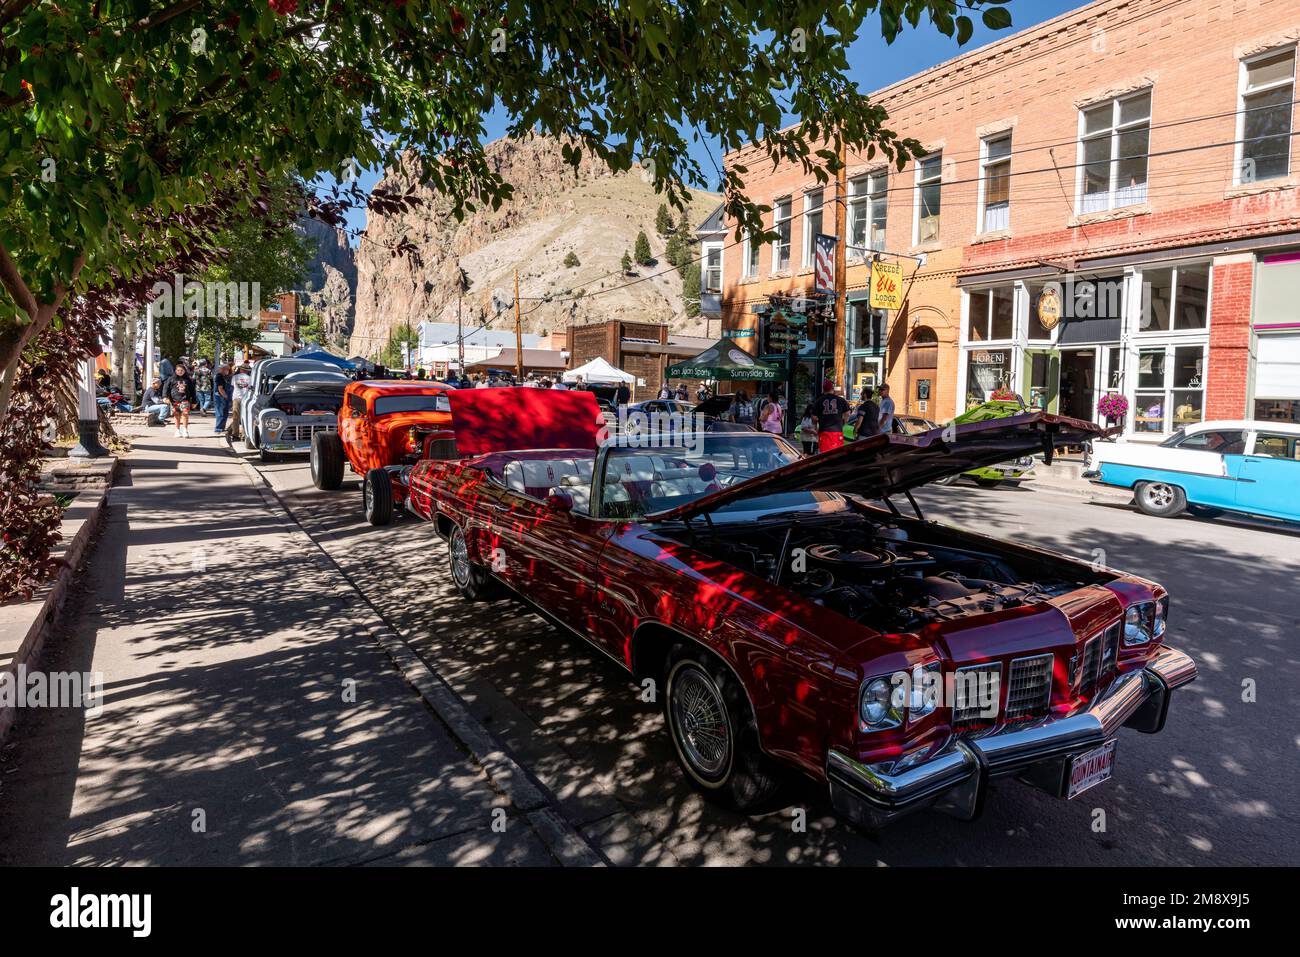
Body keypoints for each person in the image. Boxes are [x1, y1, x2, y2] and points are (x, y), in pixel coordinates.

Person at [808, 380, 849, 452]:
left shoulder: (819, 401)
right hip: (837, 432)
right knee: (837, 453)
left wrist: (815, 426)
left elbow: (813, 417)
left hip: (824, 432)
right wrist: (843, 423)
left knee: (825, 454)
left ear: (823, 389)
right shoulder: (841, 400)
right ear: (832, 389)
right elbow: (847, 413)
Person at [163, 362, 197, 438]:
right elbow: (166, 388)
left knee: (185, 414)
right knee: (176, 415)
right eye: (178, 370)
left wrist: (194, 401)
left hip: (185, 400)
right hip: (174, 400)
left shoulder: (188, 380)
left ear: (184, 371)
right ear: (175, 371)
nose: (180, 372)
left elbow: (192, 391)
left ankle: (185, 430)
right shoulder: (171, 379)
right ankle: (177, 430)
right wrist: (165, 397)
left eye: (181, 370)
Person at [227, 364, 252, 441]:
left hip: (236, 398)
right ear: (247, 371)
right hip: (246, 399)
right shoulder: (250, 378)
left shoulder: (235, 377)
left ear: (241, 370)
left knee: (236, 417)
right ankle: (245, 435)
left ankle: (235, 435)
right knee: (245, 417)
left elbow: (232, 386)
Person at [212, 361, 232, 434]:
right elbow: (220, 388)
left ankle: (222, 428)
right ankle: (218, 428)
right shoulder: (219, 376)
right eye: (227, 369)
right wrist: (226, 396)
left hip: (223, 396)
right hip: (220, 397)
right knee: (220, 413)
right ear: (223, 369)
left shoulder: (225, 376)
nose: (228, 371)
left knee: (225, 413)